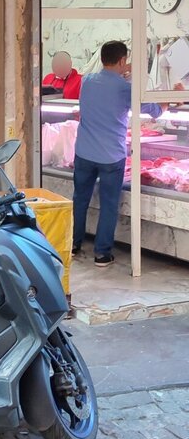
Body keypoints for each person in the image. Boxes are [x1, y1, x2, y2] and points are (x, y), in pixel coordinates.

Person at [72, 40, 164, 268]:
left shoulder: (87, 81)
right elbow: (154, 110)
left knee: (79, 200)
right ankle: (102, 254)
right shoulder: (126, 88)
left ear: (103, 58)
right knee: (109, 204)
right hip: (111, 157)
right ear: (123, 60)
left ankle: (73, 244)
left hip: (84, 152)